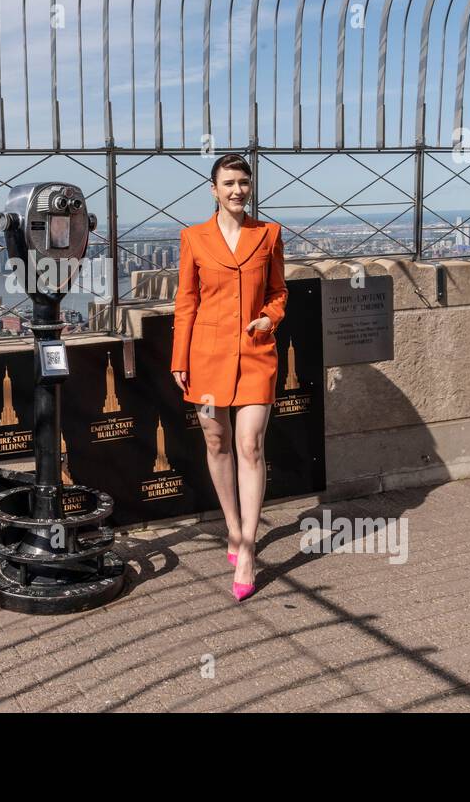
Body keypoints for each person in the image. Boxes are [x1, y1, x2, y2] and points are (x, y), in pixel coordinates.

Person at [170, 153, 288, 602]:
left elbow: (278, 292)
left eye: (244, 182)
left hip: (256, 354)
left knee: (250, 444)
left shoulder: (270, 234)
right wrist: (180, 358)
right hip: (206, 359)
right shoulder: (193, 238)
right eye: (229, 183)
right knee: (216, 441)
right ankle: (234, 530)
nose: (237, 190)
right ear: (213, 189)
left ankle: (247, 550)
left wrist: (269, 319)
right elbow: (186, 301)